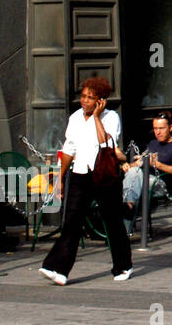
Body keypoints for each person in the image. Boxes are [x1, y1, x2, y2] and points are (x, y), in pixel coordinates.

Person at [39, 78, 132, 286]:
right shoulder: (75, 118)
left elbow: (106, 144)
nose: (85, 101)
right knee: (72, 221)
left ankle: (123, 265)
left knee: (112, 221)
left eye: (90, 98)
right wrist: (60, 177)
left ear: (100, 101)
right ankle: (59, 269)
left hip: (104, 175)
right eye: (83, 96)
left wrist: (97, 117)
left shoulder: (111, 117)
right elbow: (69, 150)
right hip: (80, 174)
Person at [121, 111, 172, 231]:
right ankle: (128, 205)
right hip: (142, 180)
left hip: (161, 183)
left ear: (171, 127)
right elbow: (138, 163)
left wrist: (155, 164)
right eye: (155, 128)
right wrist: (128, 165)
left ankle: (127, 206)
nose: (158, 132)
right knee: (133, 172)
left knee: (135, 176)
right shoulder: (152, 144)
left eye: (161, 128)